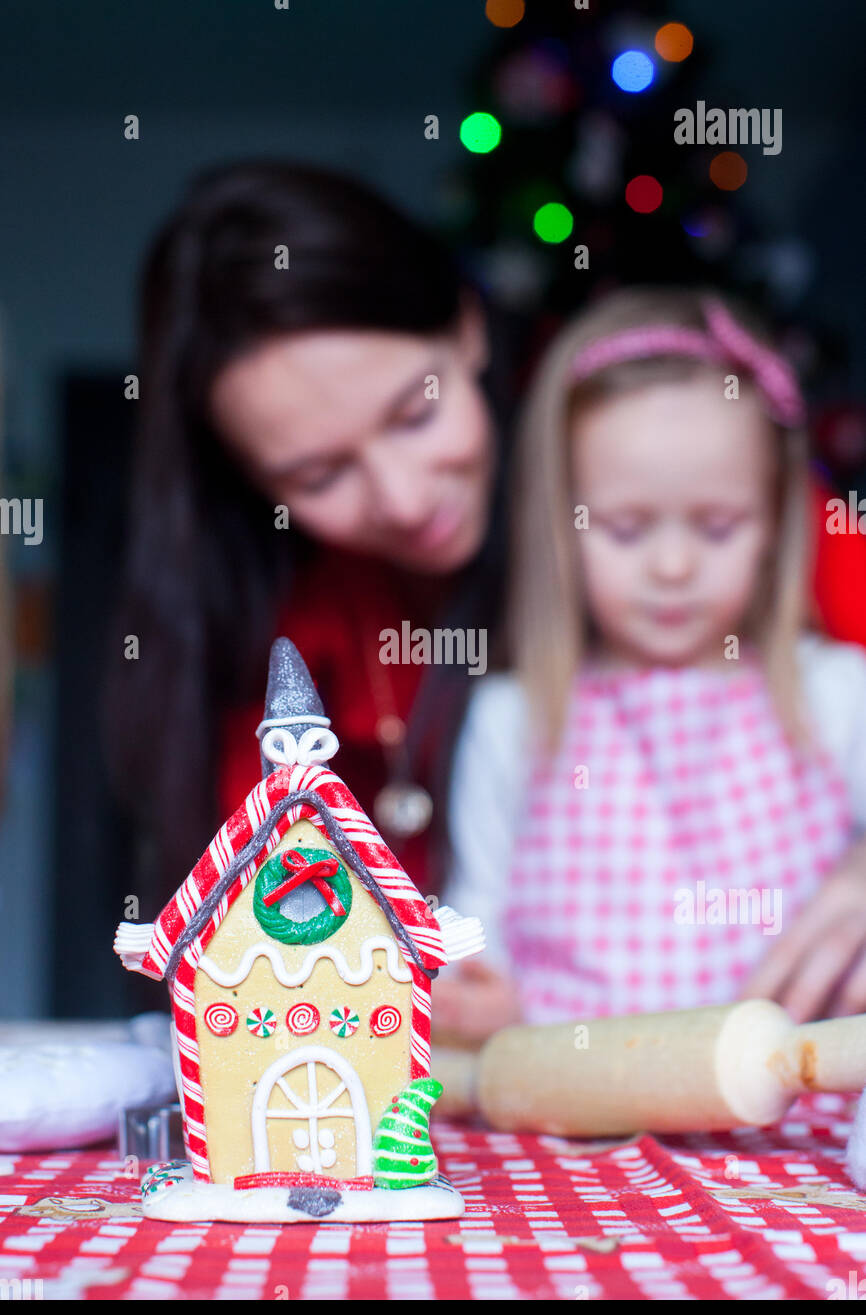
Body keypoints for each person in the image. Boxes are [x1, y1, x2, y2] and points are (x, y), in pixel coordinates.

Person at [439, 286, 866, 1038]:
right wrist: (473, 995)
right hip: (570, 1128)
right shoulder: (515, 718)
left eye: (719, 525)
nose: (673, 567)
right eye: (627, 529)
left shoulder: (832, 694)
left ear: (776, 523)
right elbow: (477, 923)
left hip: (796, 1126)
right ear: (560, 525)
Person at [106, 160, 505, 911]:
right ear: (254, 487)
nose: (406, 499)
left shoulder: (662, 503)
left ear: (468, 326)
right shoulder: (275, 656)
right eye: (318, 478)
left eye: (416, 415)